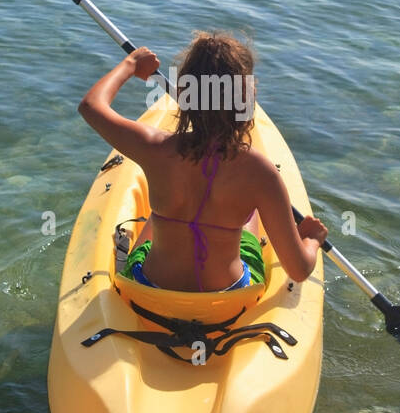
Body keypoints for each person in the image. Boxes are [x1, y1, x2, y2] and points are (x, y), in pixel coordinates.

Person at [77, 31, 328, 293]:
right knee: (247, 213)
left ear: (184, 94)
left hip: (150, 289)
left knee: (166, 206)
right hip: (227, 297)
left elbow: (91, 106)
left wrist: (130, 65)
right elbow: (299, 270)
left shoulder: (154, 148)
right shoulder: (260, 173)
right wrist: (310, 240)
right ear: (247, 98)